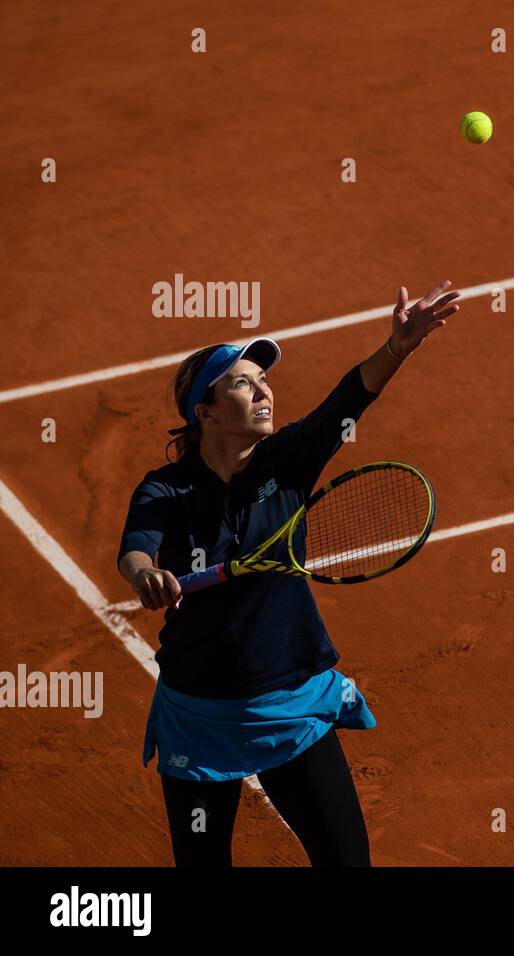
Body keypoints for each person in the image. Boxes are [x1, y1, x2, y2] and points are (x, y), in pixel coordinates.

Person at [116, 283, 461, 866]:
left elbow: (348, 400)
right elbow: (135, 549)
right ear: (205, 412)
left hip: (291, 704)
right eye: (243, 383)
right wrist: (146, 574)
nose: (263, 391)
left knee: (346, 863)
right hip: (200, 714)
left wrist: (397, 347)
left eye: (264, 380)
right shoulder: (165, 488)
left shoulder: (290, 459)